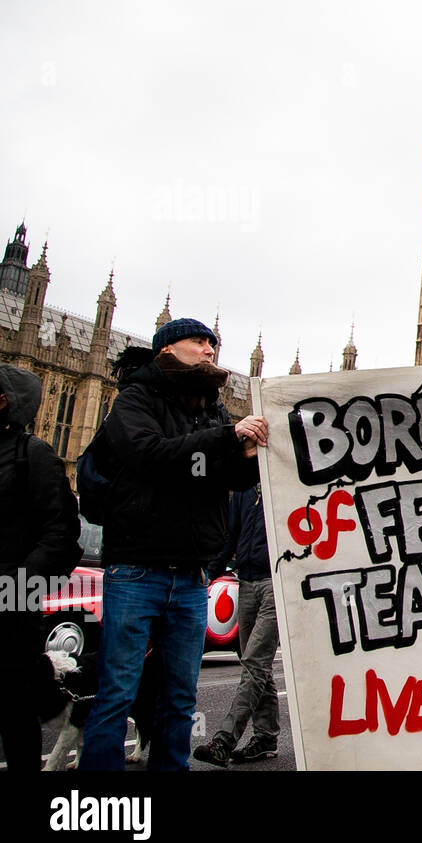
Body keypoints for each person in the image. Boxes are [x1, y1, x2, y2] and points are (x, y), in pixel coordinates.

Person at [79, 319, 268, 771]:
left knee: (181, 696)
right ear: (166, 349)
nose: (209, 350)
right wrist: (227, 438)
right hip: (137, 569)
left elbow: (224, 477)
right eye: (198, 342)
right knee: (118, 693)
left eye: (213, 343)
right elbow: (151, 455)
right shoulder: (135, 400)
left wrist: (249, 458)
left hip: (190, 575)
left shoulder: (212, 408)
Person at [0, 364, 82, 771]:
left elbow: (62, 534)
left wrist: (17, 587)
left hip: (12, 600)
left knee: (14, 711)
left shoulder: (33, 455)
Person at [193, 483, 280, 767]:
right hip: (246, 581)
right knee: (254, 663)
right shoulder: (243, 489)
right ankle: (266, 738)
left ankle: (224, 740)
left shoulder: (283, 481)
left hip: (276, 583)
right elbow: (230, 536)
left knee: (254, 662)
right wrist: (209, 572)